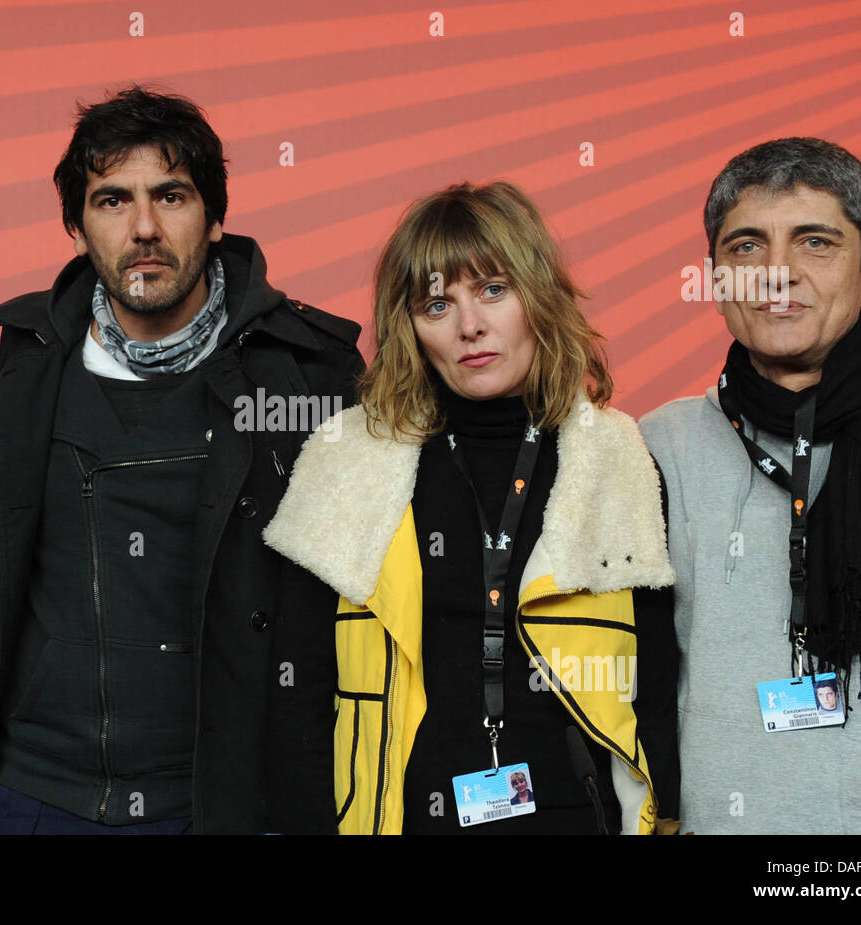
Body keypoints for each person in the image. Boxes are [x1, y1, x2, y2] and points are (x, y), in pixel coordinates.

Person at [0, 86, 363, 835]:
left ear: (215, 217)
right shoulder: (29, 357)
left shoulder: (309, 373)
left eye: (172, 195)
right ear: (77, 226)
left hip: (228, 800)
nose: (144, 227)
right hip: (41, 794)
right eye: (112, 200)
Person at [264, 181, 681, 834]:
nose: (470, 326)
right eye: (437, 303)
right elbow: (300, 690)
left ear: (537, 295)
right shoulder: (346, 461)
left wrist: (668, 811)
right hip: (402, 815)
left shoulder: (612, 453)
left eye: (492, 289)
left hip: (578, 814)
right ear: (410, 326)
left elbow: (655, 674)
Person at [640, 137, 861, 834]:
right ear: (716, 279)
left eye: (815, 243)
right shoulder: (661, 444)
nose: (777, 273)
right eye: (746, 247)